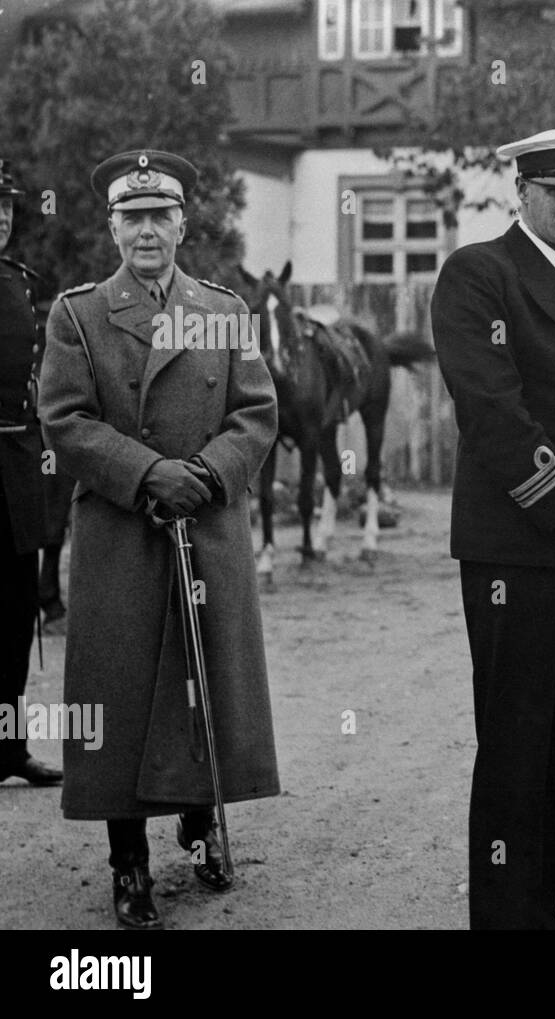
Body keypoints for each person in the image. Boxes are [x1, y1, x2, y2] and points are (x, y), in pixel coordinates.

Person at [39, 149, 280, 930]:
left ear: (183, 223)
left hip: (206, 525)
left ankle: (204, 818)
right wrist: (147, 472)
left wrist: (206, 475)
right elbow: (66, 419)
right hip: (122, 530)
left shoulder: (225, 310)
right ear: (113, 228)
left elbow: (256, 413)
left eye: (160, 215)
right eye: (131, 217)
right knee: (124, 693)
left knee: (204, 678)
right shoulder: (76, 314)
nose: (147, 230)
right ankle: (128, 861)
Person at [431, 128, 555, 929]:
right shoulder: (478, 274)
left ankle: (539, 910)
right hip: (518, 546)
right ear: (522, 191)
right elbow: (492, 413)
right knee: (515, 746)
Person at [0, 157, 61, 788]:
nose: (0, 219)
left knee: (17, 614)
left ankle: (8, 749)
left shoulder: (19, 281)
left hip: (17, 470)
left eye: (7, 209)